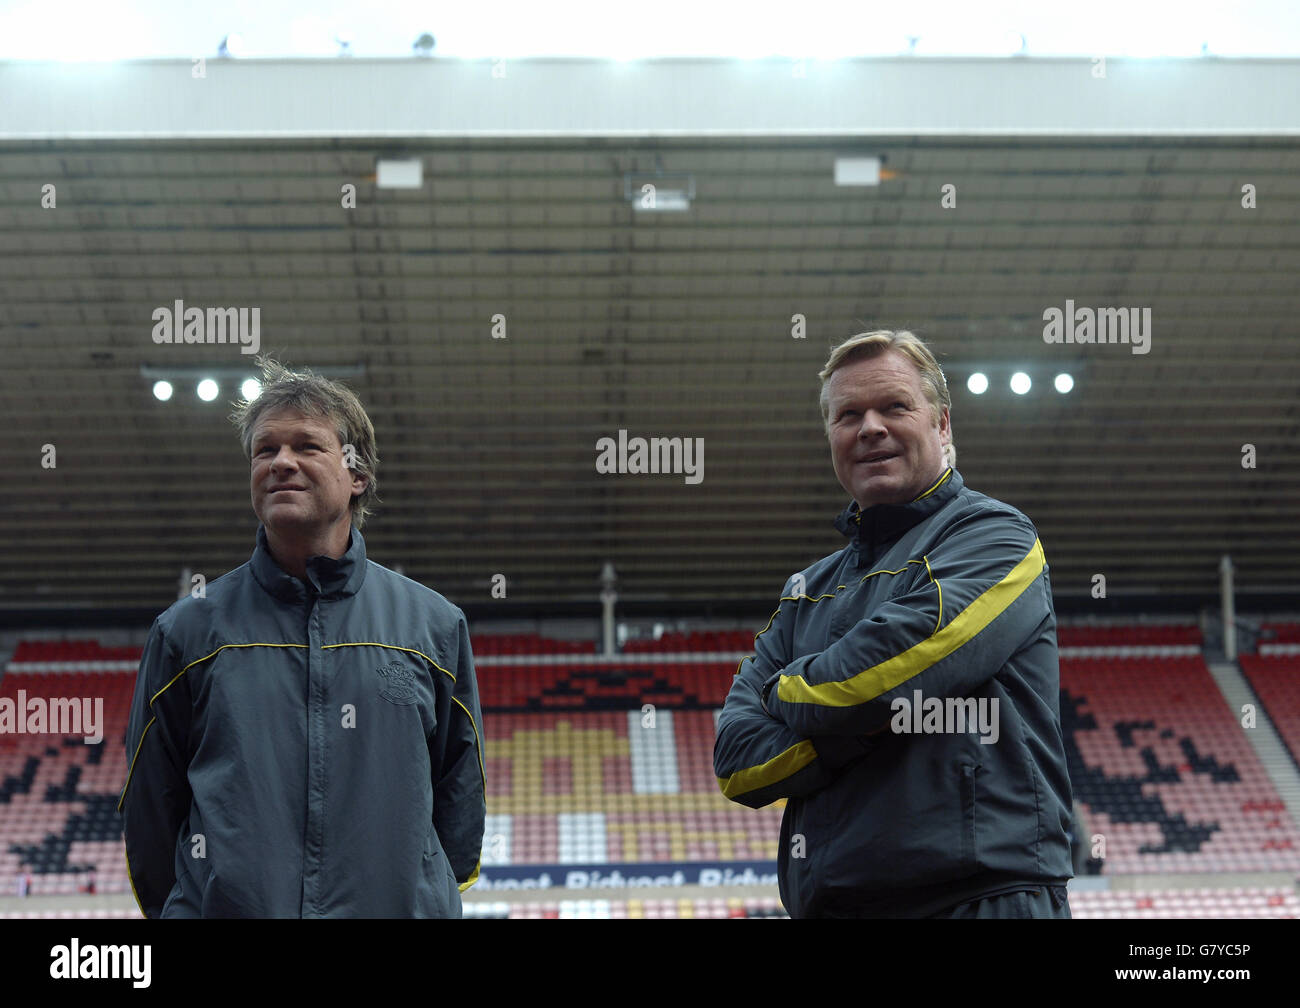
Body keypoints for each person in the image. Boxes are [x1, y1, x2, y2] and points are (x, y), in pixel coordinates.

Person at [714, 330, 1073, 918]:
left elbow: (881, 676)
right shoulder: (807, 589)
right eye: (848, 415)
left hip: (978, 900)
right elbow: (737, 762)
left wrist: (786, 692)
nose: (870, 427)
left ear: (943, 424)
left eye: (895, 407)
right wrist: (859, 726)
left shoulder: (996, 537)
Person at [119, 358, 486, 917]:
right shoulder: (186, 631)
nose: (280, 463)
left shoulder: (432, 626)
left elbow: (459, 805)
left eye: (307, 447)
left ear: (357, 474)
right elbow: (150, 812)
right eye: (265, 450)